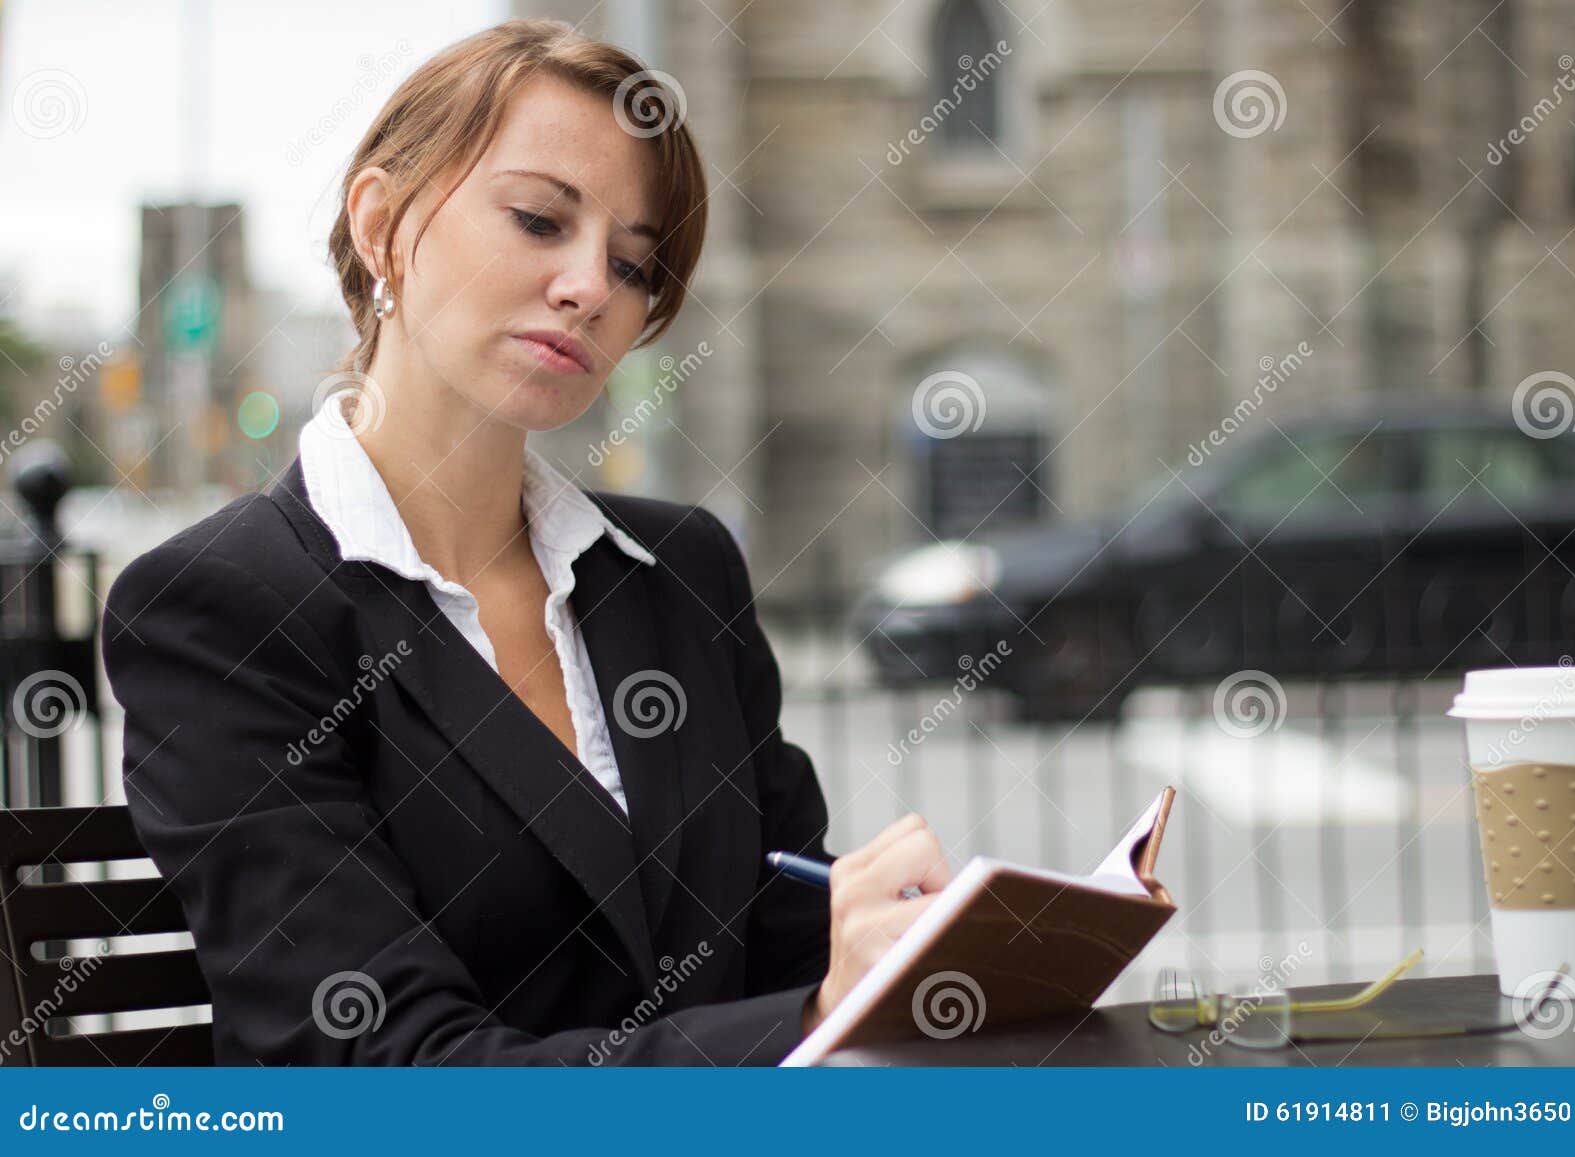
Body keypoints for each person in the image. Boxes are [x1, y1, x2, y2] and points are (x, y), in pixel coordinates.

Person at [101, 18, 950, 1066]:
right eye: (540, 219)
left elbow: (785, 942)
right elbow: (394, 1070)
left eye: (636, 267)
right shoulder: (222, 607)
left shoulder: (681, 570)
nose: (591, 287)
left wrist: (932, 949)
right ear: (381, 225)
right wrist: (812, 1014)